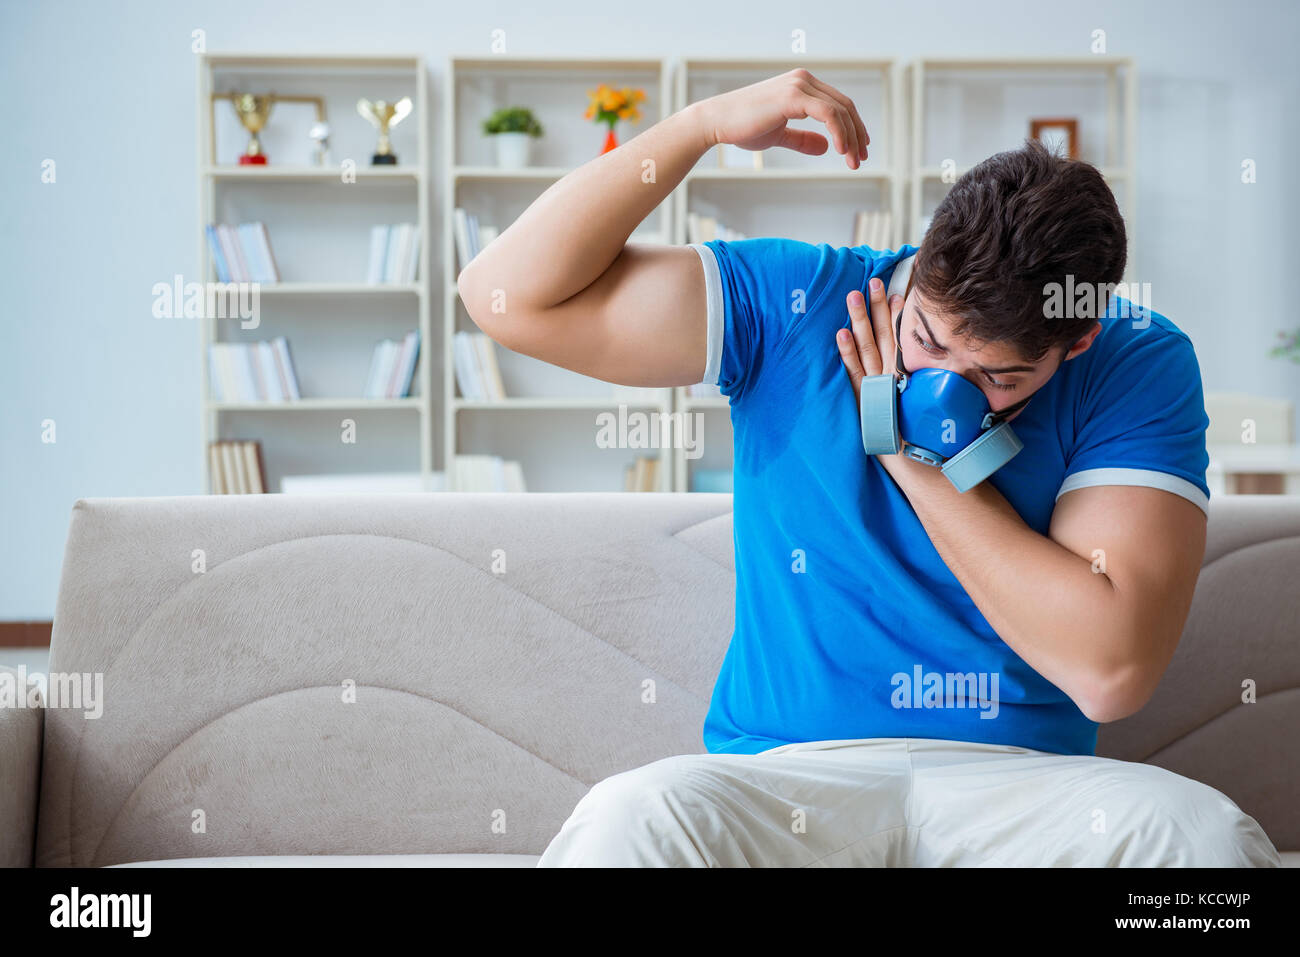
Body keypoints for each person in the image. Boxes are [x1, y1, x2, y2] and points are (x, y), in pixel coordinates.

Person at [457, 69, 1281, 867]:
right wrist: (700, 126)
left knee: (1202, 840)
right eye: (926, 339)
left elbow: (1109, 672)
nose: (946, 390)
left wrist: (914, 459)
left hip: (1024, 789)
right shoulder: (796, 302)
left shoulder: (1137, 360)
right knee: (628, 818)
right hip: (787, 781)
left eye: (1000, 379)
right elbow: (504, 297)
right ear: (921, 263)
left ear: (1078, 338)